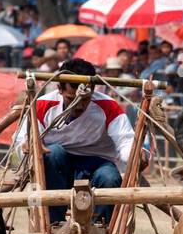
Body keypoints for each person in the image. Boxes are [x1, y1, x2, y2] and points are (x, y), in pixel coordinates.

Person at [14, 57, 146, 225]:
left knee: (110, 177)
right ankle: (53, 224)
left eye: (85, 99)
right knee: (53, 153)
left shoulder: (108, 106)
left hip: (97, 166)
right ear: (59, 89)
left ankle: (101, 230)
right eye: (72, 98)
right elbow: (23, 139)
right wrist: (29, 145)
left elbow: (125, 141)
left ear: (93, 89)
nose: (79, 105)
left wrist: (136, 155)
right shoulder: (42, 104)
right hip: (57, 169)